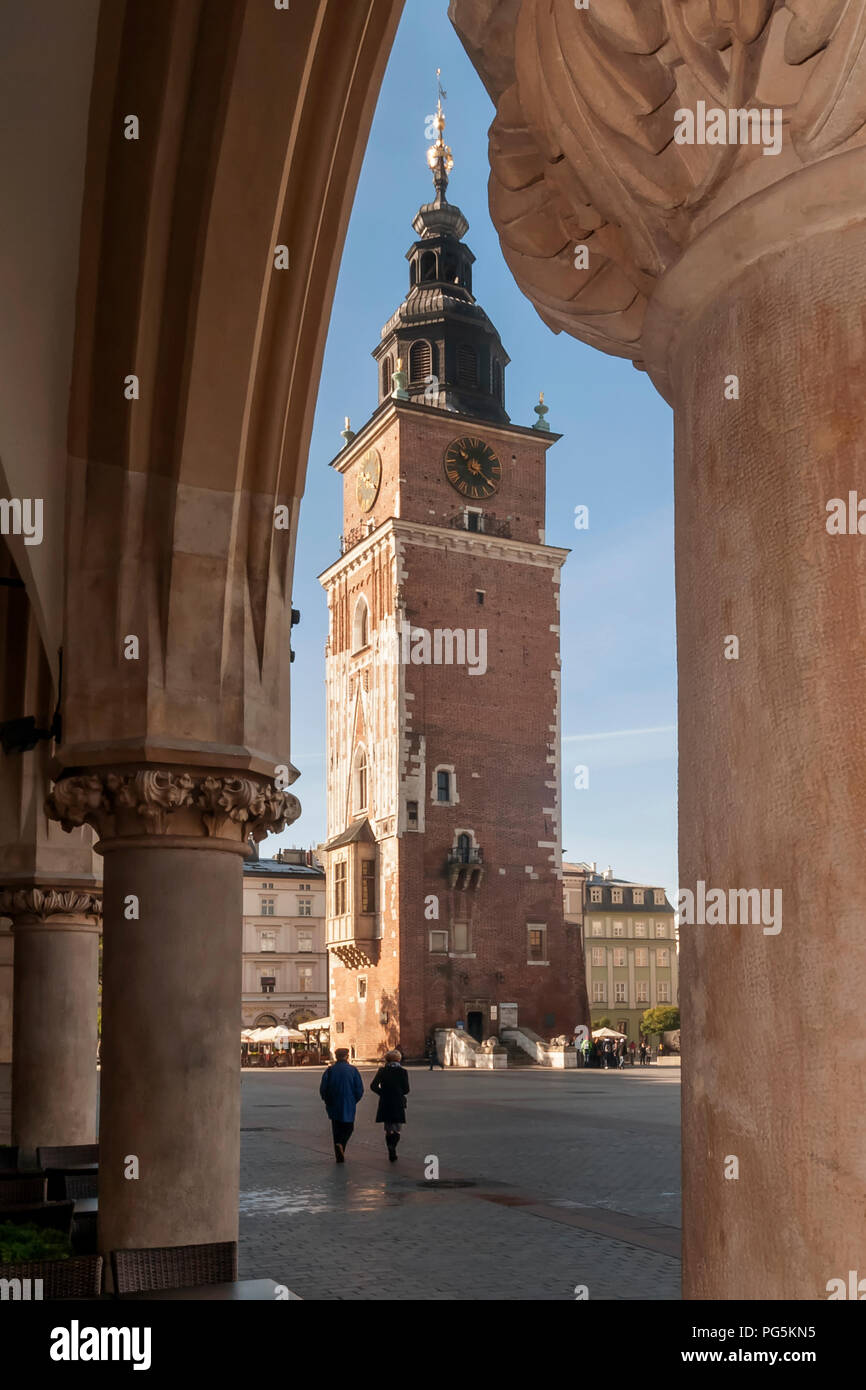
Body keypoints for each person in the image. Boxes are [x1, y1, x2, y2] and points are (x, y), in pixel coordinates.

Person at [319, 1047, 364, 1163]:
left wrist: (327, 1100)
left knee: (336, 1128)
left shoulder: (329, 1070)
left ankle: (338, 1152)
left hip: (333, 1103)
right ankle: (341, 1145)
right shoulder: (353, 1070)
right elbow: (359, 1089)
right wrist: (354, 1100)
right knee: (349, 1127)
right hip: (348, 1102)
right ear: (347, 1056)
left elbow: (323, 1088)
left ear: (336, 1056)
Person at [370, 1049, 410, 1161]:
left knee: (388, 1128)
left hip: (386, 1102)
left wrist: (383, 1093)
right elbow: (406, 1089)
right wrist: (398, 1092)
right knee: (397, 1128)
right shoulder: (403, 1071)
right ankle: (393, 1148)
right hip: (398, 1102)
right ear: (399, 1059)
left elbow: (373, 1086)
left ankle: (390, 1149)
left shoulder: (382, 1071)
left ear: (387, 1059)